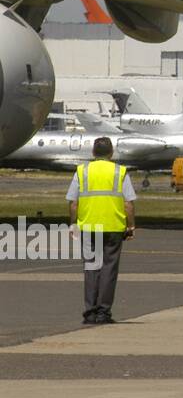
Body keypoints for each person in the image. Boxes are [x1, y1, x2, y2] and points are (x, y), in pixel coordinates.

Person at [67, 137, 136, 324]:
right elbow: (128, 203)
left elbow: (74, 203)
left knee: (91, 268)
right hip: (113, 226)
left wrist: (73, 224)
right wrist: (131, 225)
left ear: (93, 153)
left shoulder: (82, 171)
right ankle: (103, 312)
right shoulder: (120, 172)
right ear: (111, 153)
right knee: (109, 269)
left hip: (89, 226)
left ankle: (90, 311)